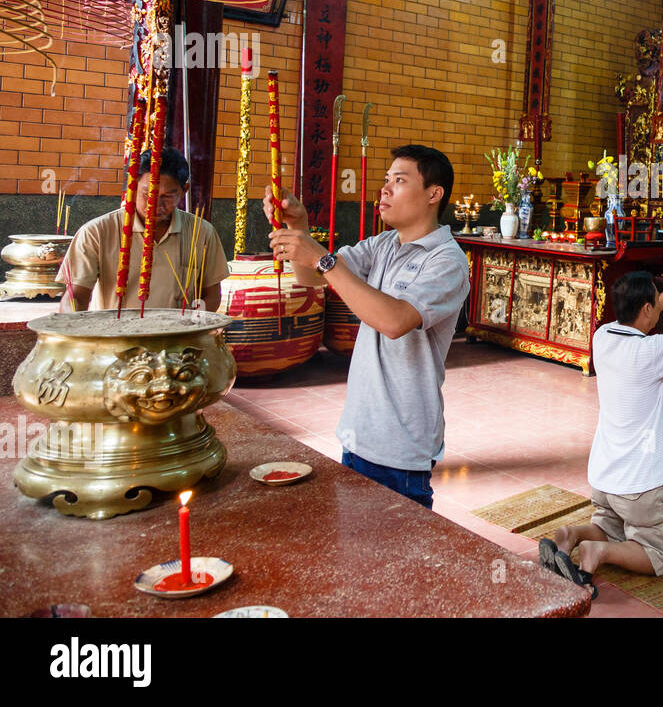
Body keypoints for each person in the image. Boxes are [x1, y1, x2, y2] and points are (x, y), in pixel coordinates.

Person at [265, 144, 469, 509]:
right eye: (386, 180)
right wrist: (299, 226)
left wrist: (323, 258)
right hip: (359, 430)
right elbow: (311, 278)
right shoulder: (383, 245)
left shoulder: (446, 260)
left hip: (401, 442)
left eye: (400, 180)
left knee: (394, 556)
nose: (385, 189)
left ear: (433, 194)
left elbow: (395, 321)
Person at [539, 262, 663, 598]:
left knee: (610, 524)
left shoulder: (602, 336)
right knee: (660, 553)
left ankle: (571, 535)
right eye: (654, 304)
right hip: (639, 485)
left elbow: (645, 312)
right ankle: (597, 553)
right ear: (646, 309)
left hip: (603, 476)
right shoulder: (651, 350)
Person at [60, 148, 228, 312]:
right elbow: (76, 296)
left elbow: (211, 295)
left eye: (168, 196)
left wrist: (194, 323)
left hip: (177, 337)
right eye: (148, 195)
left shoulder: (201, 233)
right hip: (114, 337)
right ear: (133, 185)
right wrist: (70, 324)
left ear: (184, 191)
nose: (155, 206)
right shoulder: (96, 233)